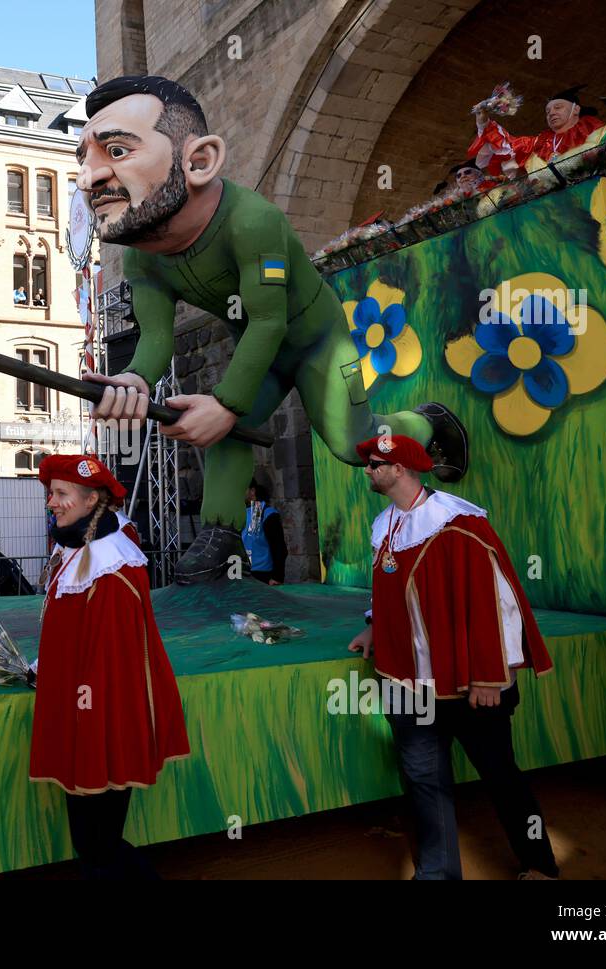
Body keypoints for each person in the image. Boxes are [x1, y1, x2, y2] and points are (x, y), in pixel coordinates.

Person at [79, 75, 467, 584]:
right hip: (256, 347)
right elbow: (156, 337)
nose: (88, 178)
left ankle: (428, 422)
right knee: (229, 430)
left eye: (116, 150)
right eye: (82, 159)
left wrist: (225, 404)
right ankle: (220, 533)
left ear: (199, 161)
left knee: (355, 446)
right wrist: (134, 381)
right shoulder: (143, 259)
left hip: (314, 342)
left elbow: (270, 317)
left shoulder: (252, 221)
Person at [346, 434, 558, 880]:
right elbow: (390, 589)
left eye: (374, 464)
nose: (367, 471)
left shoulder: (458, 522)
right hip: (407, 681)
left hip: (468, 681)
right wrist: (373, 626)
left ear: (400, 469)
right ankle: (438, 874)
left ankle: (540, 865)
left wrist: (486, 676)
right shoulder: (385, 524)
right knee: (424, 780)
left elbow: (497, 603)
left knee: (501, 776)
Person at [31, 454, 189, 878]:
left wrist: (84, 717)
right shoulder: (75, 550)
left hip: (103, 722)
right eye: (51, 494)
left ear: (91, 501)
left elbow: (112, 663)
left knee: (96, 843)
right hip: (79, 713)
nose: (52, 503)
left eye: (61, 494)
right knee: (92, 841)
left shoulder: (113, 564)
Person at [469, 85, 606, 178]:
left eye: (558, 107)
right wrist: (482, 116)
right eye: (548, 111)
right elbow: (507, 144)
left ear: (576, 109)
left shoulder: (598, 131)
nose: (551, 113)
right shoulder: (539, 143)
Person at [242, 478, 286, 585]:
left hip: (262, 575)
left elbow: (279, 548)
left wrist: (277, 577)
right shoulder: (242, 513)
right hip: (243, 574)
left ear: (252, 491)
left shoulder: (262, 512)